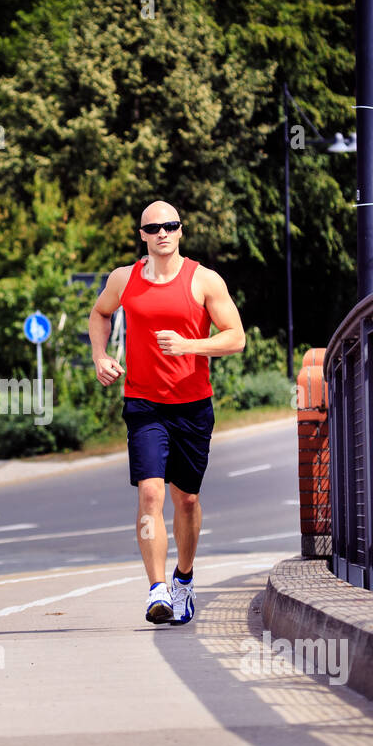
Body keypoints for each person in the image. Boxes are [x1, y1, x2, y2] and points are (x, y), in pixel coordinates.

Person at [88, 201, 245, 625]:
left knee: (187, 499)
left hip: (193, 405)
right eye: (153, 227)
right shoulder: (124, 279)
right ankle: (157, 589)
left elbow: (236, 338)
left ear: (180, 231)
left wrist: (190, 345)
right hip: (144, 403)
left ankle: (184, 580)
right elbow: (100, 314)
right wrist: (100, 356)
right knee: (151, 494)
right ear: (142, 234)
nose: (162, 233)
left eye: (170, 226)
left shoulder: (204, 281)